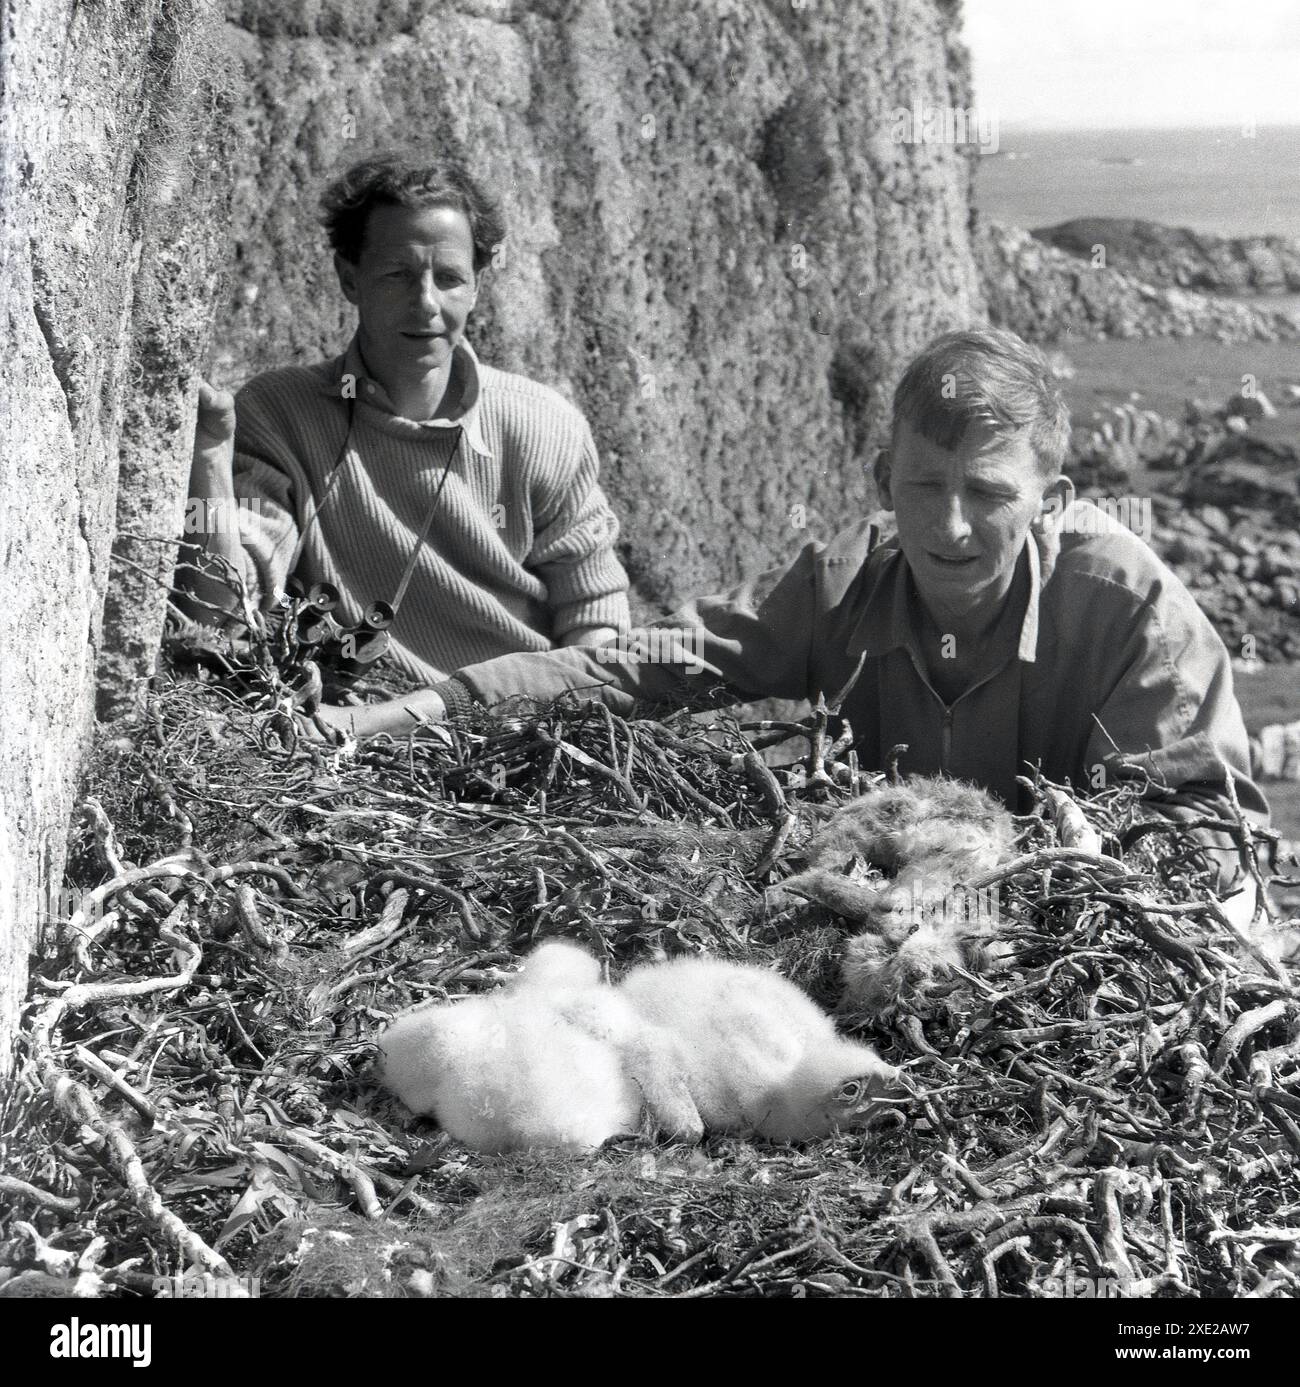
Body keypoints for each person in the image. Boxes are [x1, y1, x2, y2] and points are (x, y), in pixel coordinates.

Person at [300, 327, 1271, 886]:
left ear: (1050, 502)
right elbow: (633, 666)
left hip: (1082, 950)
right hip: (902, 935)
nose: (950, 525)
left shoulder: (1133, 614)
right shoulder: (840, 586)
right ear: (883, 479)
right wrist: (402, 712)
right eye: (924, 486)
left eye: (988, 493)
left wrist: (1027, 882)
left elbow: (1198, 845)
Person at [181, 152, 631, 688]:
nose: (426, 303)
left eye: (450, 278)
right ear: (350, 278)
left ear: (478, 286)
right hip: (346, 724)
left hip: (517, 720)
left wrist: (571, 712)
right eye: (398, 275)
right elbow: (221, 611)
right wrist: (210, 458)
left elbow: (594, 614)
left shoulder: (544, 429)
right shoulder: (281, 415)